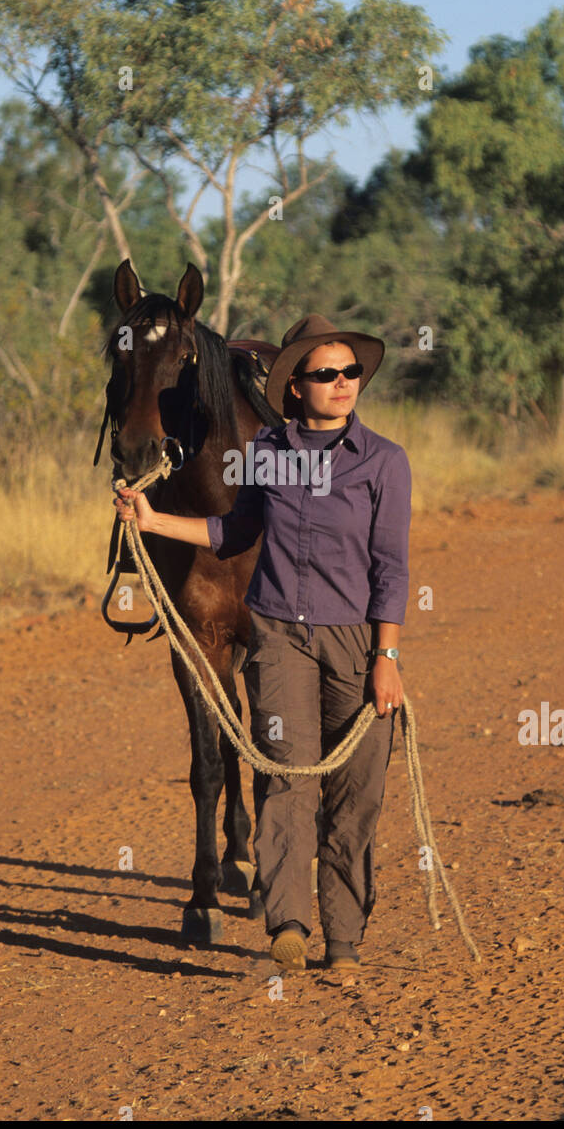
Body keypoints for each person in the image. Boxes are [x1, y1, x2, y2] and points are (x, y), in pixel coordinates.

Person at [114, 314, 412, 973]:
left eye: (349, 373)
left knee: (354, 793)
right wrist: (155, 517)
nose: (342, 383)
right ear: (296, 387)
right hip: (279, 637)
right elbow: (236, 529)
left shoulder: (385, 462)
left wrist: (386, 657)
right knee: (285, 777)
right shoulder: (268, 453)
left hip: (355, 641)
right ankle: (288, 923)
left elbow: (391, 567)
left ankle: (343, 938)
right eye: (326, 374)